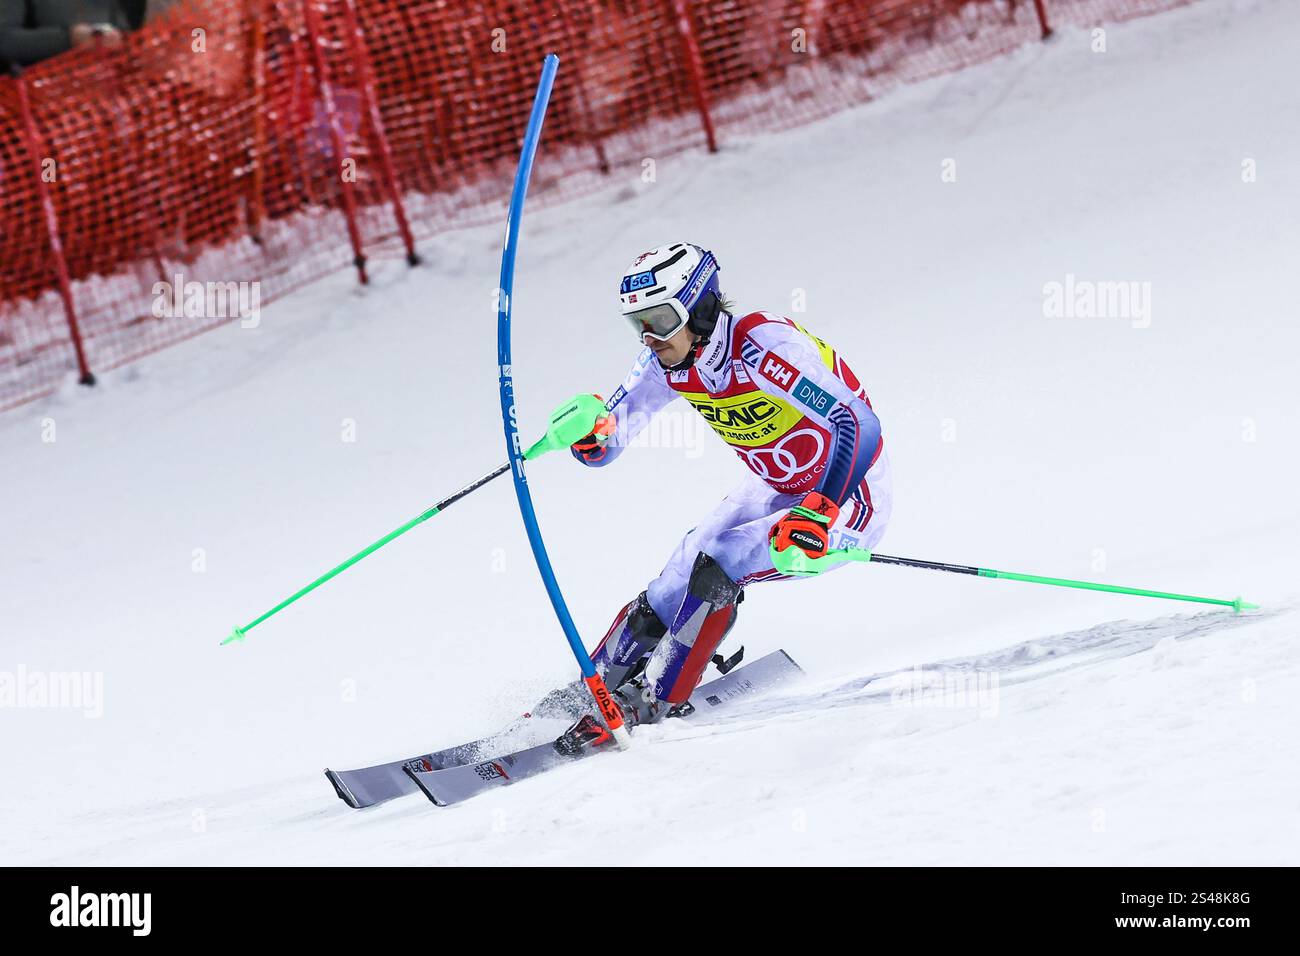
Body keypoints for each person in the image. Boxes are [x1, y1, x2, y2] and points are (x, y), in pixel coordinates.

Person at [550, 242, 892, 753]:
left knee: (723, 561)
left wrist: (821, 509)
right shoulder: (667, 361)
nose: (649, 336)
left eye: (660, 319)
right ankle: (592, 689)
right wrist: (590, 436)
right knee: (677, 573)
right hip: (778, 489)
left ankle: (654, 699)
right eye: (637, 322)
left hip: (847, 501)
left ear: (699, 306)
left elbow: (857, 423)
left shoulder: (762, 348)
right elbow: (610, 440)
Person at [0, 0, 144, 71]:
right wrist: (68, 40)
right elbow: (5, 41)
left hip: (108, 98)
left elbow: (125, 32)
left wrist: (120, 40)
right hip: (48, 103)